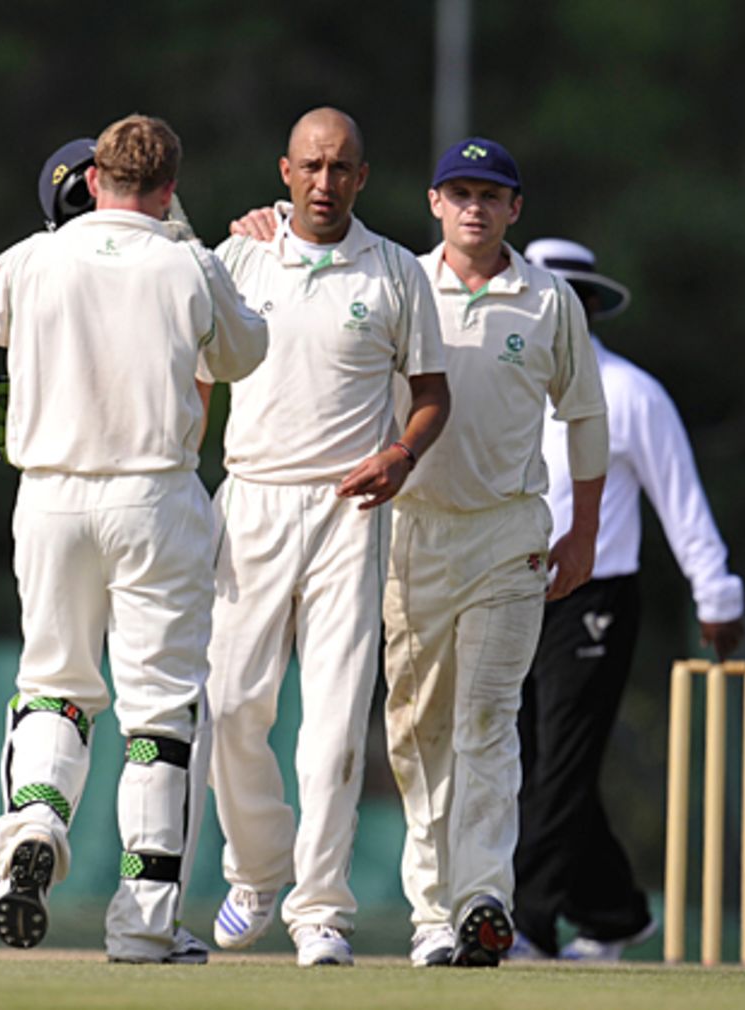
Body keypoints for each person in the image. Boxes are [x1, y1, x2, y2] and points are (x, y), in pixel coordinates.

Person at [0, 114, 268, 963]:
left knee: (54, 685)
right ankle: (142, 923)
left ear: (93, 178)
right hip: (154, 498)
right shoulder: (186, 260)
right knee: (161, 712)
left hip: (52, 498)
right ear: (169, 187)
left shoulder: (35, 260)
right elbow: (245, 354)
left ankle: (34, 821)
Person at [204, 107, 450, 967]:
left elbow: (431, 395)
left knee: (338, 725)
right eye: (310, 166)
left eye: (340, 168)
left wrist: (400, 456)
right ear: (284, 170)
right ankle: (257, 867)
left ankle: (321, 911)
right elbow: (199, 383)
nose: (323, 183)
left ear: (362, 177)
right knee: (232, 705)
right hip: (252, 499)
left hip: (351, 510)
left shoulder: (394, 272)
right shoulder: (239, 258)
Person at [382, 139, 609, 967]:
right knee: (416, 727)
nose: (475, 207)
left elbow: (586, 415)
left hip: (509, 533)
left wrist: (582, 529)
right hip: (414, 531)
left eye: (492, 195)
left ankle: (483, 898)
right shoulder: (402, 282)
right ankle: (432, 916)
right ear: (435, 203)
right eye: (460, 192)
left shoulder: (548, 300)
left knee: (486, 718)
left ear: (516, 209)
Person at [508, 237, 745, 961]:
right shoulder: (508, 384)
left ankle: (528, 923)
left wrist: (718, 594)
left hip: (597, 599)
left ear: (588, 308)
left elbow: (682, 502)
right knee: (518, 762)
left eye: (568, 300)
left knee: (563, 766)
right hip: (512, 595)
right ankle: (610, 911)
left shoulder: (633, 394)